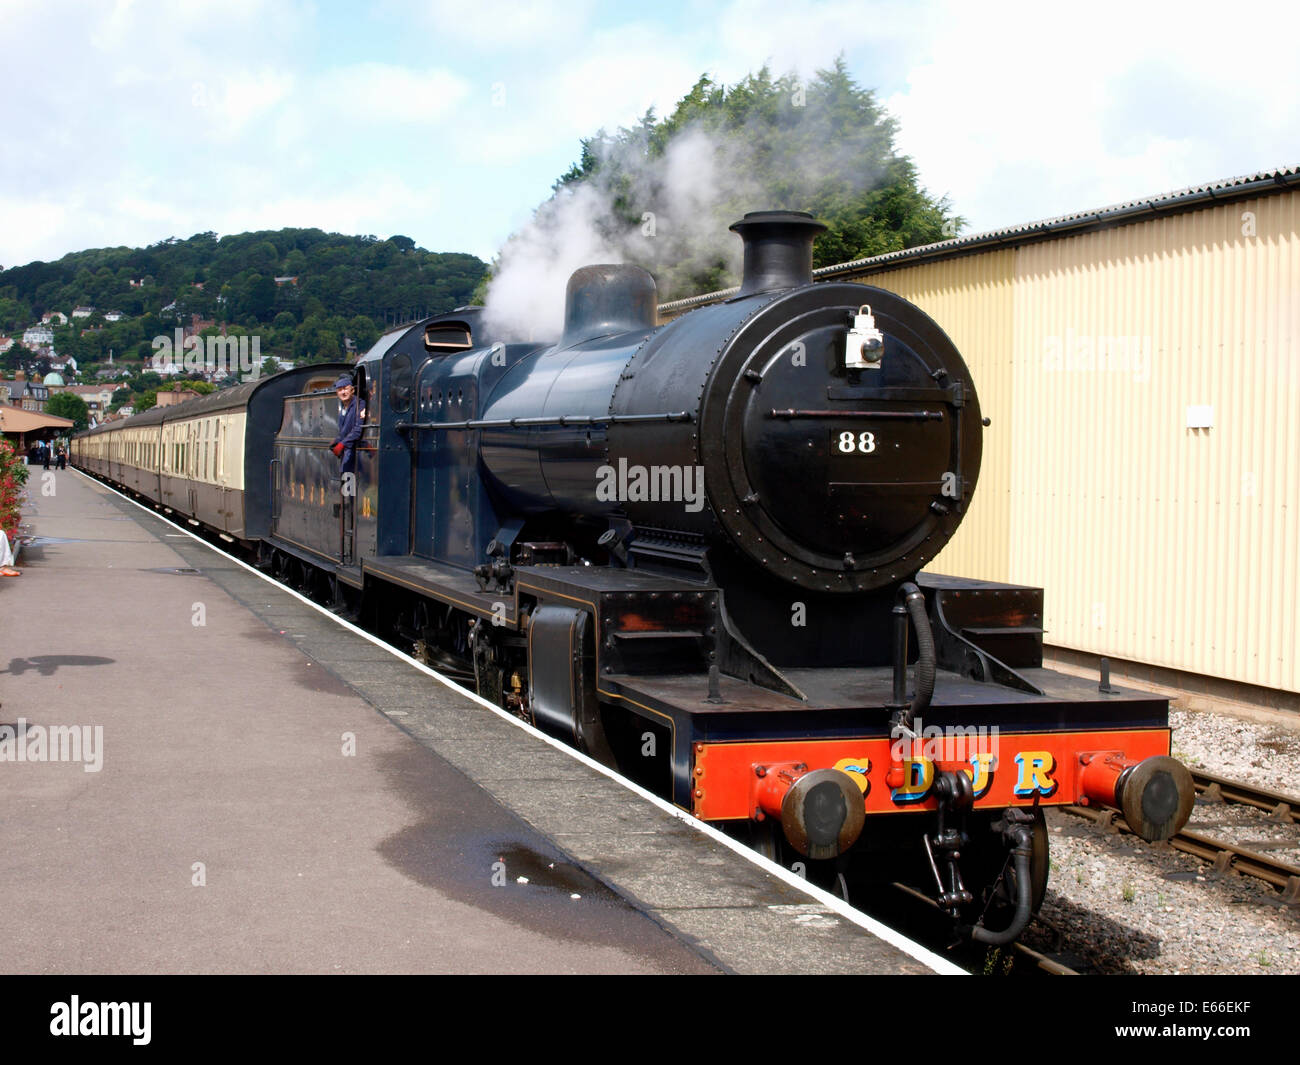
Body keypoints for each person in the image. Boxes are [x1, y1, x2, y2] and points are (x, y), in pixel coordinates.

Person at [330, 375, 363, 476]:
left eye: (345, 389)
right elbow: (344, 430)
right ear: (337, 393)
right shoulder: (342, 406)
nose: (343, 392)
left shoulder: (360, 404)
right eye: (340, 390)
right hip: (346, 452)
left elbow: (358, 429)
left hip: (355, 451)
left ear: (352, 390)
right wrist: (336, 442)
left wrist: (342, 443)